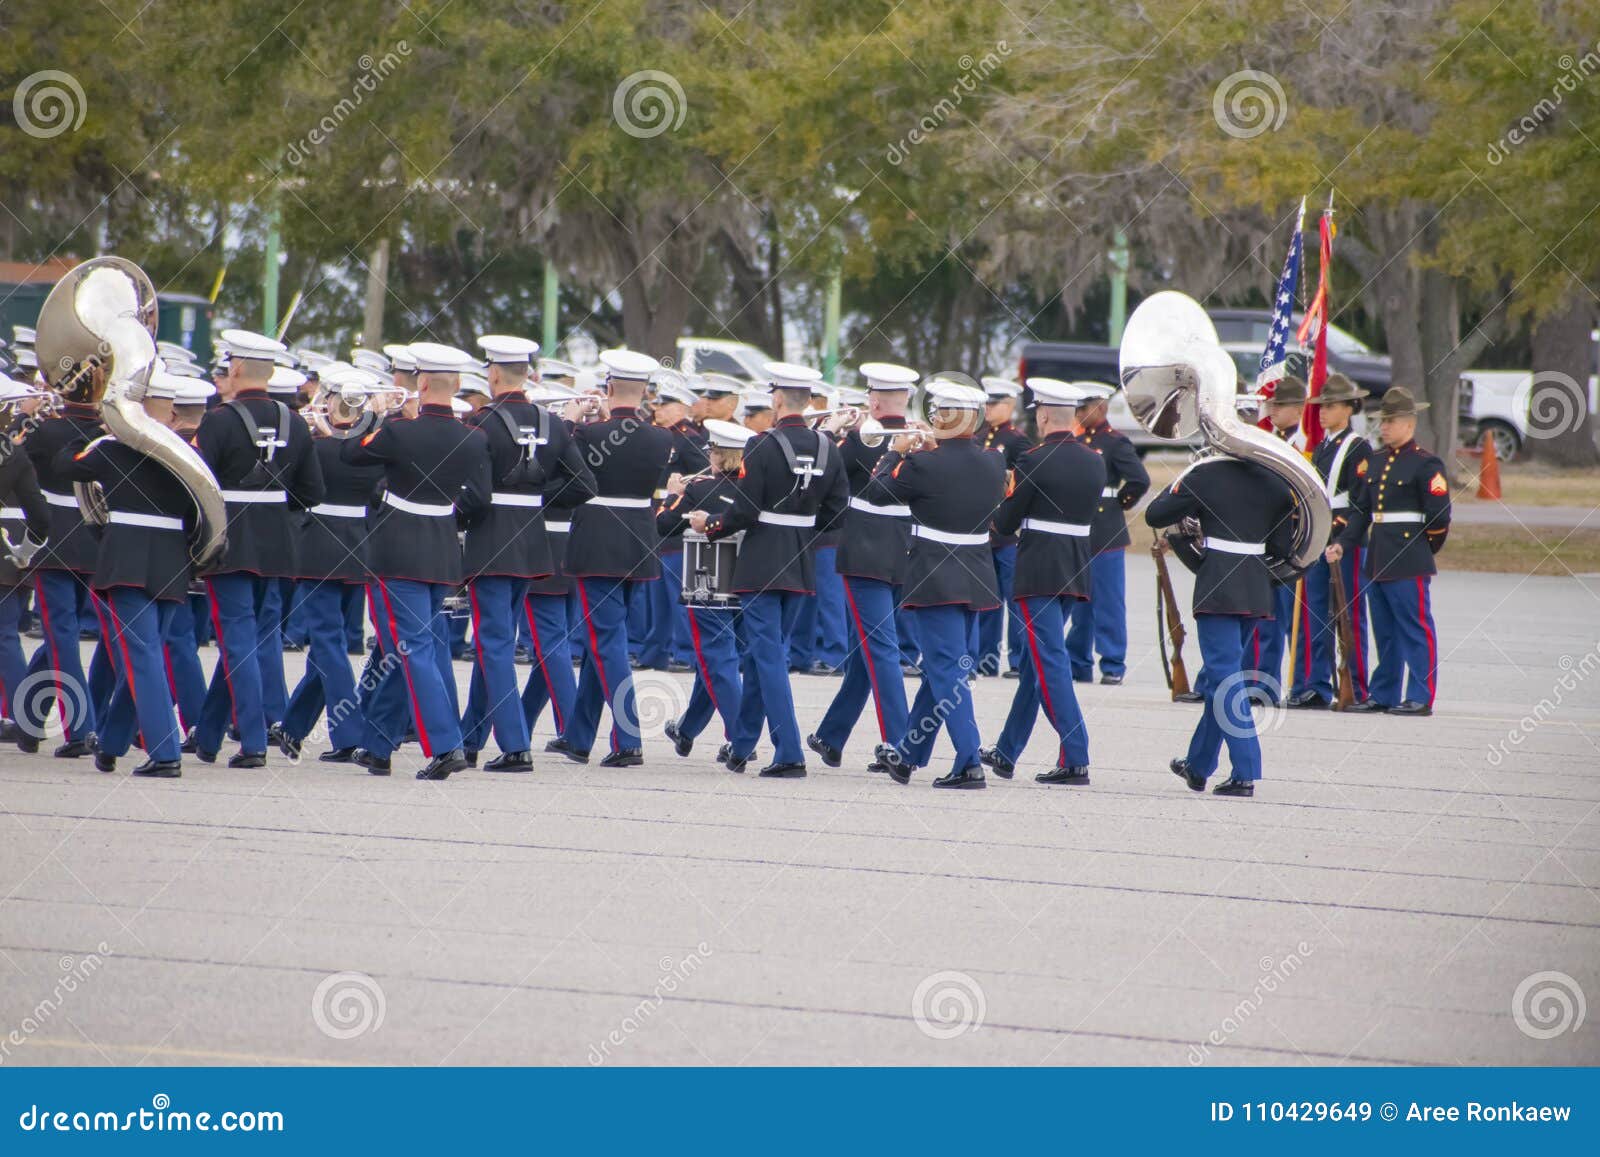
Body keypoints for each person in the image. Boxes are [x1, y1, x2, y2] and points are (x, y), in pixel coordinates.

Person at [689, 362, 848, 778]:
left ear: (777, 399)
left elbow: (745, 509)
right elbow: (837, 512)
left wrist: (712, 525)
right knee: (764, 654)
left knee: (769, 656)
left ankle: (789, 751)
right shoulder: (829, 448)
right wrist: (801, 528)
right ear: (808, 400)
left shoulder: (761, 445)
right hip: (801, 560)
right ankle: (742, 746)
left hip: (762, 563)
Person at [342, 342, 492, 779]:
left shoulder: (399, 432)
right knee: (403, 648)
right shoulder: (474, 437)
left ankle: (446, 746)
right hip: (442, 550)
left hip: (398, 551)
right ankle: (378, 745)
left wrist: (373, 413)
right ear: (458, 385)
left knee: (410, 650)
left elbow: (351, 454)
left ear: (421, 383)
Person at [862, 382, 1006, 788]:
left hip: (935, 575)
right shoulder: (995, 461)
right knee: (945, 669)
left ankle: (968, 762)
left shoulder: (922, 465)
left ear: (943, 418)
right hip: (977, 575)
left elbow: (877, 491)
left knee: (946, 670)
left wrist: (898, 451)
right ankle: (908, 755)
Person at [462, 336, 596, 769]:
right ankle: (471, 735)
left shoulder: (481, 422)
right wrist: (535, 496)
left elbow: (475, 493)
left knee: (494, 641)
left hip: (491, 542)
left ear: (495, 373)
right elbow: (584, 484)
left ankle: (515, 744)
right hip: (532, 542)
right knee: (494, 641)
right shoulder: (552, 424)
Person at [56, 369, 198, 778]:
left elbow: (65, 464)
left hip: (127, 559)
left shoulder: (114, 449)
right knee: (147, 653)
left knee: (142, 655)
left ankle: (166, 751)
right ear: (170, 410)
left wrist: (90, 425)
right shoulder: (188, 454)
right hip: (172, 561)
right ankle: (113, 742)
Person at [550, 349, 676, 767]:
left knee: (607, 641)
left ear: (607, 388)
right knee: (603, 639)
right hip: (637, 538)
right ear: (644, 393)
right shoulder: (662, 437)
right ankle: (578, 736)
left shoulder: (588, 434)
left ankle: (629, 738)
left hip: (598, 540)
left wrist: (569, 422)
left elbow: (560, 469)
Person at [1146, 455, 1296, 798]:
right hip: (1256, 587)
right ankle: (1198, 766)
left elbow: (1156, 514)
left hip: (1219, 586)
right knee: (1222, 678)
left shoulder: (1206, 475)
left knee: (1227, 680)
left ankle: (1245, 771)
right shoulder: (1277, 483)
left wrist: (1180, 483)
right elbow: (1282, 548)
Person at [981, 380, 1103, 784]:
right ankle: (1007, 750)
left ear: (1045, 414)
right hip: (1075, 568)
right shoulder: (1094, 460)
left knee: (1049, 662)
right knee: (1037, 665)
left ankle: (1076, 755)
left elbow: (1006, 519)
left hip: (1038, 572)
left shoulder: (1034, 459)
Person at [808, 362, 919, 774]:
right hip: (906, 551)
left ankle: (901, 743)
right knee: (865, 651)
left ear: (873, 399)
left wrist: (830, 430)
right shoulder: (921, 438)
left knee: (880, 649)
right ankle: (832, 737)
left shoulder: (860, 439)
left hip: (865, 554)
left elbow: (818, 474)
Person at [275, 370, 384, 764]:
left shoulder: (314, 445)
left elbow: (291, 490)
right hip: (360, 544)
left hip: (319, 543)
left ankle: (348, 734)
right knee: (329, 646)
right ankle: (293, 726)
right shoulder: (372, 447)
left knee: (328, 643)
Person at [1336, 387, 1450, 716]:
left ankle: (1420, 695)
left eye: (1391, 421)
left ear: (1409, 424)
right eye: (1382, 421)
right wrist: (1343, 543)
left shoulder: (1426, 464)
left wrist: (1424, 550)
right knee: (1385, 632)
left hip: (1409, 555)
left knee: (1414, 628)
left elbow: (1439, 515)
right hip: (1378, 556)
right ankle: (1384, 692)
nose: (1384, 427)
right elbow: (1361, 511)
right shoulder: (1374, 462)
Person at [17, 361, 108, 757]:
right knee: (61, 637)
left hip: (56, 542)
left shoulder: (46, 429)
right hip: (99, 541)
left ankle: (81, 728)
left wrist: (24, 417)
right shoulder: (111, 432)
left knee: (61, 636)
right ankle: (27, 719)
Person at [661, 419, 751, 757]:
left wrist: (673, 496)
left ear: (717, 454)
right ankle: (687, 729)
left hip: (708, 572)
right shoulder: (753, 487)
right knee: (715, 659)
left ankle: (740, 736)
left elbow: (664, 525)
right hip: (747, 576)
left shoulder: (700, 489)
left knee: (717, 658)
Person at [1286, 373, 1371, 708]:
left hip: (1341, 540)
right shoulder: (1321, 446)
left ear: (1348, 409)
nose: (1322, 412)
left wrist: (1344, 540)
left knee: (1349, 615)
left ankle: (1357, 687)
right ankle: (1314, 684)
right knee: (1313, 613)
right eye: (1321, 406)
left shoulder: (1358, 447)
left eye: (1331, 406)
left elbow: (1360, 504)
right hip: (1317, 535)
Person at [1065, 382, 1149, 685]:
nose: (1079, 414)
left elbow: (1139, 480)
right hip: (1078, 530)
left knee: (1109, 603)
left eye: (1083, 408)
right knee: (1079, 603)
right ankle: (1078, 663)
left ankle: (1113, 664)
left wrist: (1117, 505)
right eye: (1076, 409)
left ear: (1100, 407)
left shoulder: (1115, 442)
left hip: (1106, 531)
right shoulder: (1073, 439)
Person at [1249, 375, 1309, 704]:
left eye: (1279, 405)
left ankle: (1283, 684)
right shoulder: (1272, 441)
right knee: (1265, 617)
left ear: (1298, 409)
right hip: (1268, 537)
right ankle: (1260, 681)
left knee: (1286, 619)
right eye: (1270, 404)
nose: (1271, 411)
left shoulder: (1305, 445)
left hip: (1295, 539)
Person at [637, 374, 701, 672]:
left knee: (677, 594)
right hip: (656, 517)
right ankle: (654, 652)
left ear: (682, 407)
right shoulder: (656, 435)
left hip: (677, 523)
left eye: (664, 405)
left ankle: (685, 652)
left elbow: (700, 483)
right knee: (656, 597)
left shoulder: (690, 440)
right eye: (656, 404)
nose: (657, 409)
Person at [0, 376, 50, 745]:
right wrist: (26, 551)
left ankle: (21, 716)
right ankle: (24, 718)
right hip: (9, 554)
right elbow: (40, 515)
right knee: (6, 637)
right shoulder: (13, 454)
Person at [976, 377, 1033, 677]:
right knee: (987, 598)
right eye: (986, 402)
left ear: (1010, 405)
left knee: (1014, 600)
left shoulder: (1017, 440)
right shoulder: (978, 436)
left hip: (1007, 532)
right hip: (984, 528)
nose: (987, 408)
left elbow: (1024, 481)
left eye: (994, 403)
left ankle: (1017, 659)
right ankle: (985, 658)